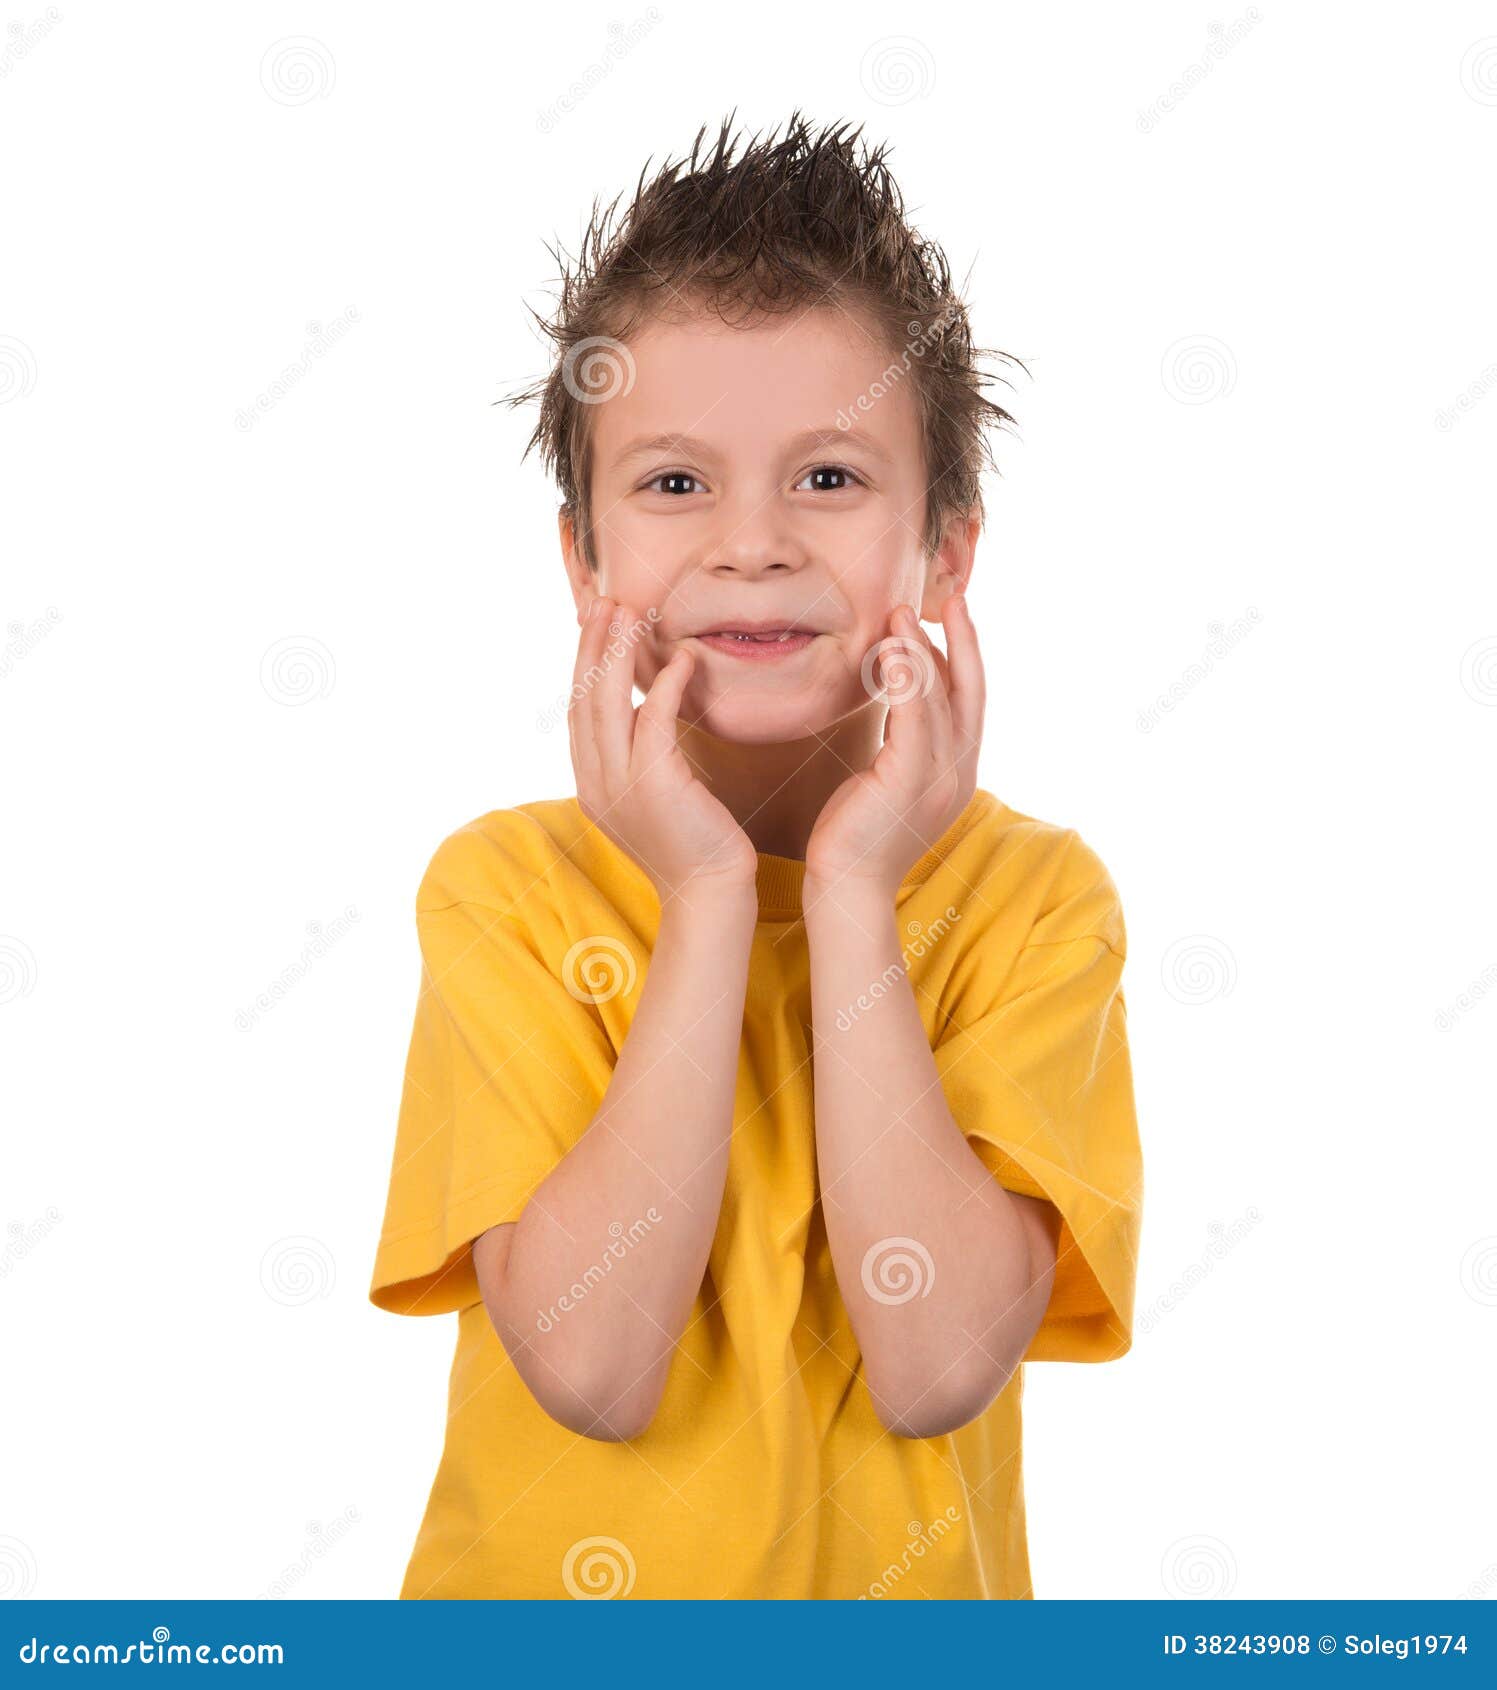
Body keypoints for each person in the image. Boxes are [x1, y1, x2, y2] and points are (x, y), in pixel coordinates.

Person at [369, 111, 1142, 1600]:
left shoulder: (1038, 903)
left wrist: (849, 891)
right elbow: (594, 1367)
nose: (751, 542)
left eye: (830, 479)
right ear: (582, 559)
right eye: (673, 485)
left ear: (946, 551)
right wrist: (710, 893)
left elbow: (934, 1365)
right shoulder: (506, 892)